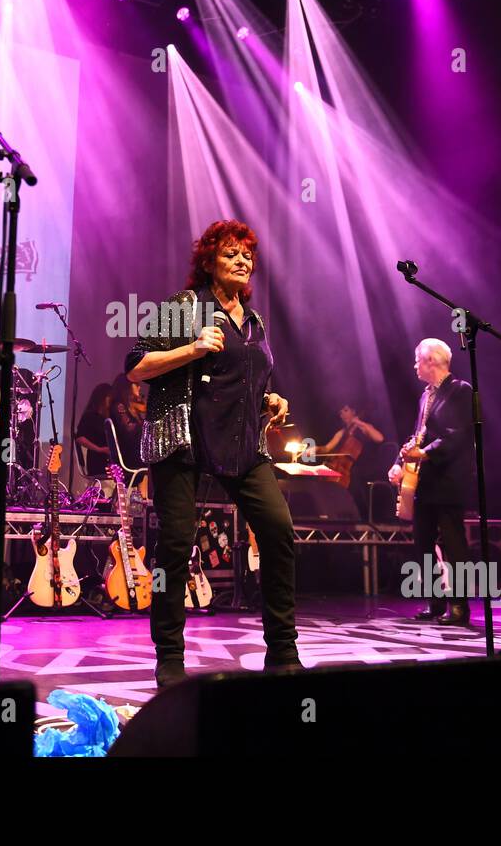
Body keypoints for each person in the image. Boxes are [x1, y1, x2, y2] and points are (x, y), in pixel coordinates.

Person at [126, 219, 299, 686]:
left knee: (279, 531)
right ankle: (170, 657)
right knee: (176, 548)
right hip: (183, 440)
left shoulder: (255, 321)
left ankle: (283, 650)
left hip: (242, 445)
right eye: (230, 254)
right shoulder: (184, 307)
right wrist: (193, 347)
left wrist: (270, 399)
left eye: (247, 255)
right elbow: (136, 367)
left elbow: (244, 379)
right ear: (208, 262)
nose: (242, 261)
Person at [387, 339, 475, 626]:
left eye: (417, 360)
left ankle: (460, 607)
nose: (414, 365)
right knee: (422, 543)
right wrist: (401, 463)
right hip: (424, 481)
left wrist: (424, 453)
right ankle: (435, 602)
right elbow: (419, 435)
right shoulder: (425, 396)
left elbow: (458, 434)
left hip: (448, 480)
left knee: (453, 543)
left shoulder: (460, 391)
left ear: (431, 362)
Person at [319, 404, 386, 518]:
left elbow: (380, 438)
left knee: (354, 482)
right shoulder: (342, 432)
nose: (342, 414)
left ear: (354, 412)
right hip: (346, 470)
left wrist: (360, 423)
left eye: (345, 410)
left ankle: (357, 517)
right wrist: (312, 448)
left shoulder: (364, 428)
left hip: (362, 469)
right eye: (340, 412)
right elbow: (326, 448)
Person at [74, 383, 113, 478]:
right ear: (102, 398)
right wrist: (99, 449)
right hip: (98, 460)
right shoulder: (90, 416)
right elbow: (80, 438)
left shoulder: (111, 417)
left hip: (112, 460)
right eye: (110, 397)